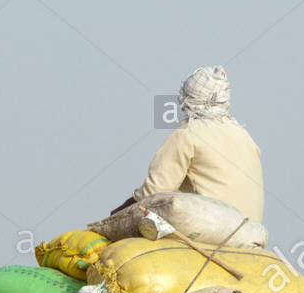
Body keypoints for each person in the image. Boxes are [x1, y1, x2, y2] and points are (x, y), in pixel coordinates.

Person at [111, 65, 264, 222]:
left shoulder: (187, 133)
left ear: (188, 98)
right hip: (251, 230)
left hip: (211, 226)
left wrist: (116, 214)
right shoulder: (245, 136)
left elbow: (153, 192)